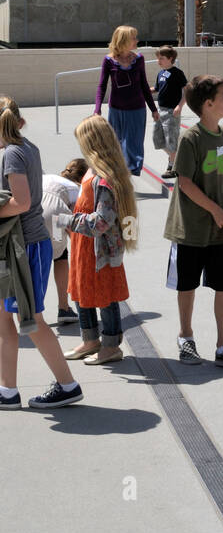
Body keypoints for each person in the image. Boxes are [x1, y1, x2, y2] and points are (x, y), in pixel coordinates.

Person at [0, 97, 84, 409]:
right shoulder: (25, 147)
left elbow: (20, 203)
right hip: (17, 248)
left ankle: (68, 385)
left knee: (30, 320)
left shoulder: (12, 154)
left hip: (25, 247)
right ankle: (7, 391)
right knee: (4, 319)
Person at [164, 76, 223, 369]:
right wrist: (214, 210)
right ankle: (186, 338)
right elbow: (184, 182)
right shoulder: (191, 138)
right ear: (208, 104)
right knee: (187, 285)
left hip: (222, 228)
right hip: (192, 228)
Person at [55, 117, 137, 366]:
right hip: (84, 245)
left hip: (98, 248)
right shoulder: (93, 169)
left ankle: (111, 345)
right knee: (82, 291)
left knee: (106, 296)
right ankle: (90, 340)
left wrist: (67, 220)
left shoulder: (104, 177)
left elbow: (102, 221)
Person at [94, 26, 159, 176]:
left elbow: (144, 85)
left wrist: (153, 109)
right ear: (123, 40)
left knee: (133, 146)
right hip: (116, 109)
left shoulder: (139, 59)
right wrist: (97, 109)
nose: (137, 40)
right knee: (116, 144)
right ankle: (120, 176)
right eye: (133, 38)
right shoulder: (109, 60)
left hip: (137, 109)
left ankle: (128, 176)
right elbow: (101, 86)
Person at [41, 157, 87, 327]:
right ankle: (63, 308)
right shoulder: (77, 189)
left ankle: (23, 307)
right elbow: (75, 223)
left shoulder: (47, 177)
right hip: (55, 218)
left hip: (31, 214)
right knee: (60, 256)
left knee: (32, 258)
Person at [151, 46, 188, 179]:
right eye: (158, 58)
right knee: (157, 140)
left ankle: (171, 167)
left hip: (172, 112)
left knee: (171, 140)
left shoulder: (177, 73)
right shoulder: (161, 73)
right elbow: (156, 88)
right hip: (160, 111)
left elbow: (187, 91)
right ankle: (178, 157)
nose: (158, 61)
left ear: (170, 58)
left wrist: (180, 106)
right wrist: (142, 89)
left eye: (161, 58)